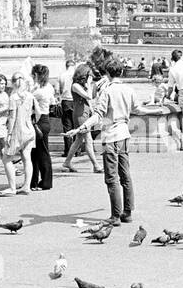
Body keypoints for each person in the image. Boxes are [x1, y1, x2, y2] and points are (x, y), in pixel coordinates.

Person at [66, 54, 137, 224]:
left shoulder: (107, 91)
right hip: (124, 134)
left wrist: (81, 128)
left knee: (111, 177)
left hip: (110, 136)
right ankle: (127, 212)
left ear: (107, 73)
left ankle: (115, 215)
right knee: (125, 175)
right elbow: (138, 109)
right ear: (121, 72)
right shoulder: (129, 90)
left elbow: (98, 115)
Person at [62, 58, 99, 173]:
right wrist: (88, 84)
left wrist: (92, 110)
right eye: (88, 75)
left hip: (85, 112)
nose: (90, 76)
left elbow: (89, 100)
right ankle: (96, 165)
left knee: (78, 140)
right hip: (80, 114)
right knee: (88, 139)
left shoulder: (82, 85)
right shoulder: (75, 86)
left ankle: (67, 162)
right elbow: (88, 97)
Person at [30, 64, 55, 191]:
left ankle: (43, 181)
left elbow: (27, 100)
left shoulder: (37, 91)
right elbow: (52, 102)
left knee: (38, 153)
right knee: (39, 152)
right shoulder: (49, 87)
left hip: (37, 120)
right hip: (45, 119)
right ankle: (34, 181)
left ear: (36, 75)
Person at [57, 58, 76, 158]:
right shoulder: (77, 75)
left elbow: (59, 89)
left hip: (66, 101)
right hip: (76, 101)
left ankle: (68, 150)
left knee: (67, 127)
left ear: (66, 66)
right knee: (76, 126)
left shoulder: (62, 75)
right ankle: (77, 150)